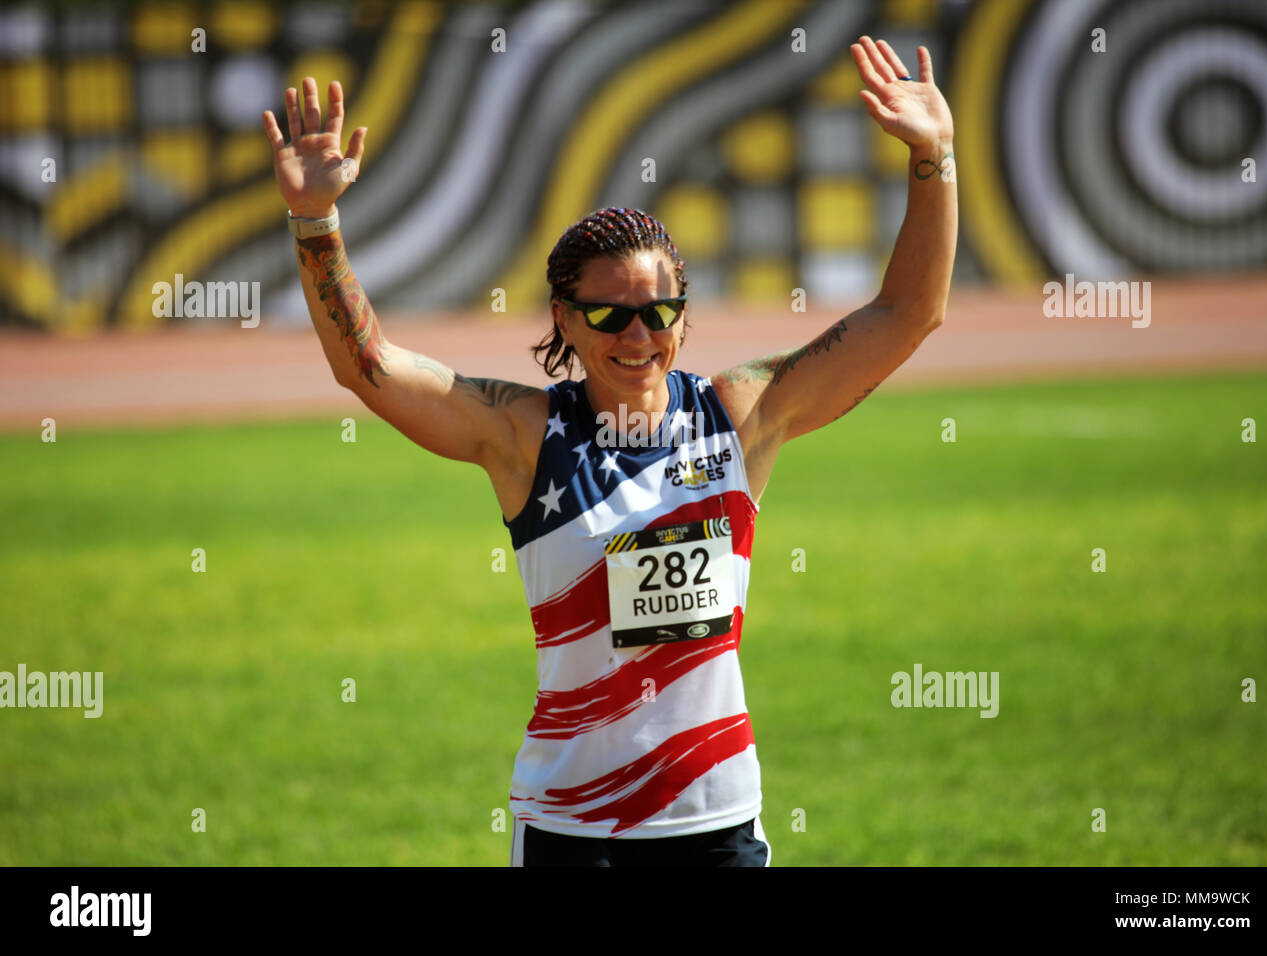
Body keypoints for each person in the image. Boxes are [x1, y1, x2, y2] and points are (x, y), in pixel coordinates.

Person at [263, 35, 956, 866]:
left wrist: (933, 160)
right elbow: (367, 365)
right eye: (608, 316)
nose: (638, 335)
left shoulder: (739, 415)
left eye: (659, 312)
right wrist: (315, 220)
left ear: (683, 314)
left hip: (717, 825)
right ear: (563, 320)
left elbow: (909, 311)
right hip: (573, 833)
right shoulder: (524, 436)